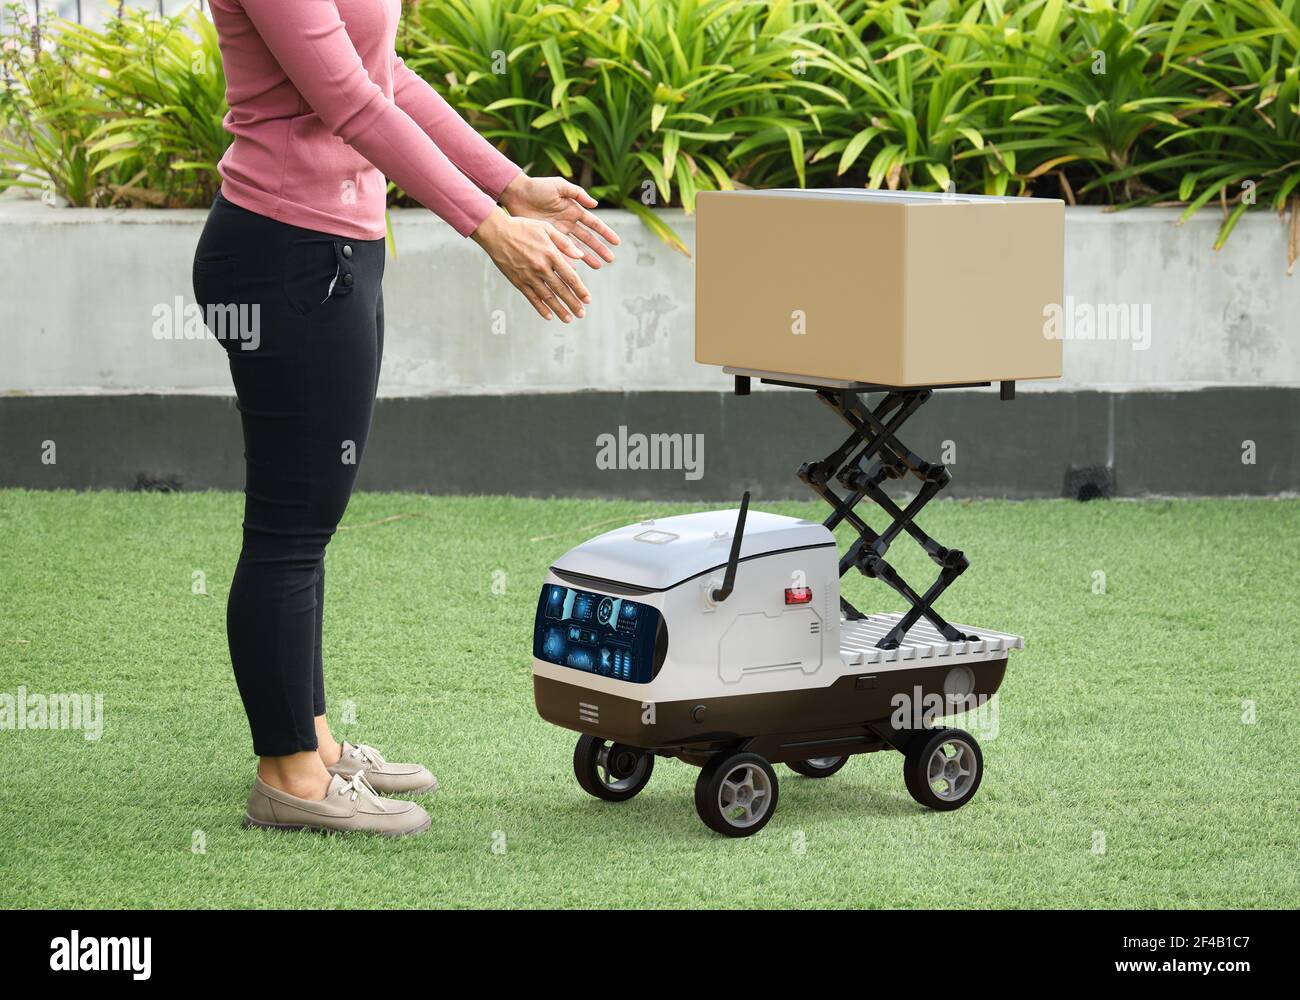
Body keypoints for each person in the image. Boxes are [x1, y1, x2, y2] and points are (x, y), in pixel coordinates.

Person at [191, 0, 619, 837]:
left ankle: (309, 743)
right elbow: (347, 100)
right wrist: (489, 227)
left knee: (307, 522)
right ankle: (288, 779)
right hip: (284, 252)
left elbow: (387, 78)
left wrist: (509, 183)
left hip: (334, 249)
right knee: (288, 527)